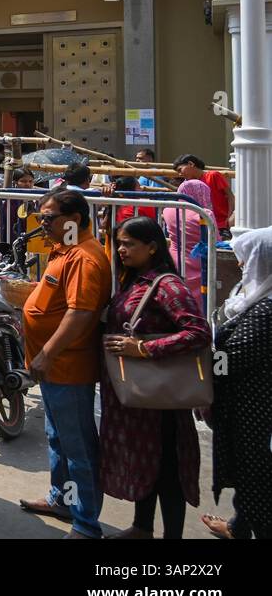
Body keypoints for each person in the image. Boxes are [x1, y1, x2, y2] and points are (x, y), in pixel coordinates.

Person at [100, 217, 209, 539]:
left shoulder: (168, 285)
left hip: (161, 397)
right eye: (119, 243)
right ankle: (142, 527)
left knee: (167, 471)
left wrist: (145, 349)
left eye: (129, 244)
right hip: (136, 397)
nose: (121, 250)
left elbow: (198, 332)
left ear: (152, 246)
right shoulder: (134, 280)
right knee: (144, 463)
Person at [18, 189, 112, 538]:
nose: (42, 224)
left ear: (72, 220)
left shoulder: (84, 258)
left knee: (78, 448)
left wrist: (48, 353)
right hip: (54, 370)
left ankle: (86, 524)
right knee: (57, 437)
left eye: (48, 218)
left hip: (68, 368)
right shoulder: (66, 250)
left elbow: (81, 313)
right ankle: (62, 499)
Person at [202, 226, 272, 540]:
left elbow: (234, 358)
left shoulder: (266, 309)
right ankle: (240, 525)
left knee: (255, 474)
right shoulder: (253, 294)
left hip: (255, 406)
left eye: (246, 257)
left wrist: (204, 362)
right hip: (248, 403)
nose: (240, 264)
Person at [164, 178, 215, 309]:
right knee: (200, 302)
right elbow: (216, 240)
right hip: (199, 262)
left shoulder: (168, 210)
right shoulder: (204, 214)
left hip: (174, 259)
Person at [174, 154, 232, 239]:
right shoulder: (187, 184)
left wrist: (229, 217)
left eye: (180, 170)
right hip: (200, 224)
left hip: (222, 224)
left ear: (191, 164)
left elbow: (230, 196)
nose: (179, 174)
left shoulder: (213, 175)